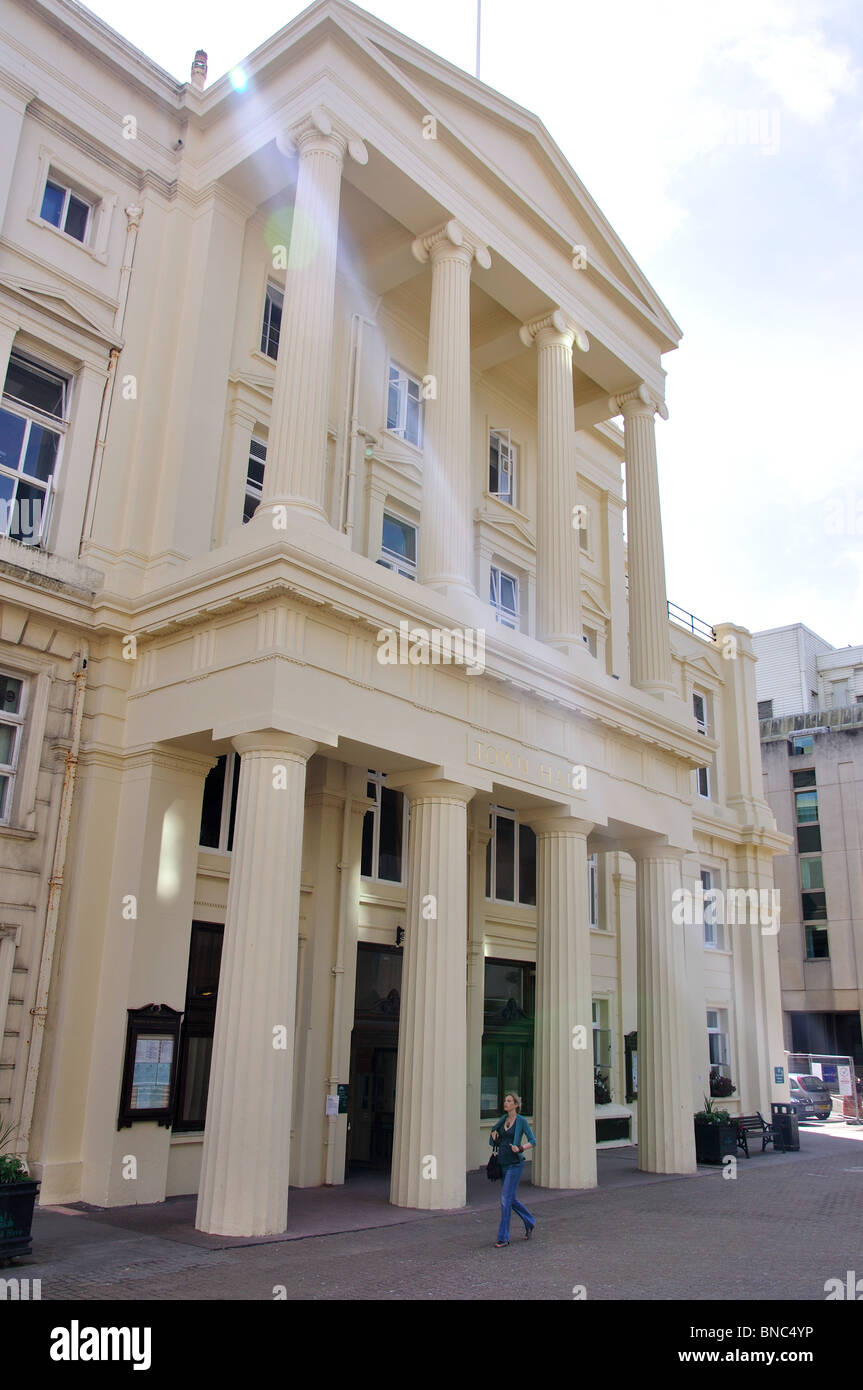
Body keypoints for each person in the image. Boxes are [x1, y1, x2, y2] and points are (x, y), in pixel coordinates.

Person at [489, 1091, 536, 1247]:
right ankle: (530, 1221)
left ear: (516, 1104)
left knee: (505, 1199)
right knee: (510, 1198)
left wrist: (521, 1148)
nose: (506, 1103)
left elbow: (533, 1141)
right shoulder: (502, 1120)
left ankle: (503, 1237)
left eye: (509, 1101)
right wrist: (495, 1134)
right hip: (502, 1162)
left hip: (515, 1164)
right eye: (505, 1101)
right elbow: (494, 1138)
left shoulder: (521, 1121)